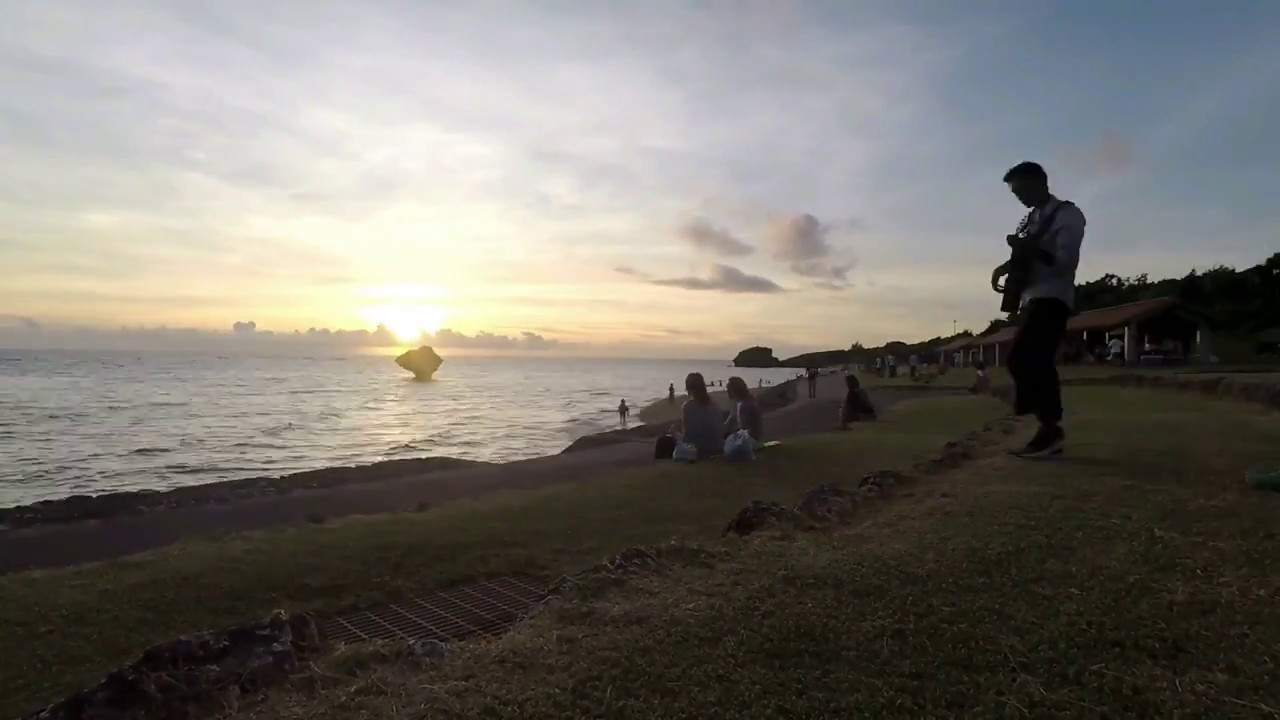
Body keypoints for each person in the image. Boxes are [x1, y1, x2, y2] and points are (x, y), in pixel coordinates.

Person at [990, 161, 1086, 458]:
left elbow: (1066, 262)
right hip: (1031, 297)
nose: (1018, 198)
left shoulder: (1068, 214)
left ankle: (1049, 427)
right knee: (1030, 359)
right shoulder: (1029, 218)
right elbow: (1025, 255)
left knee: (1025, 358)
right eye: (1014, 193)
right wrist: (1007, 266)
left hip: (1053, 295)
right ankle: (1047, 428)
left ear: (1038, 183)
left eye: (1021, 191)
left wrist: (1034, 251)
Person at [679, 372, 722, 459]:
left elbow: (687, 436)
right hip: (718, 446)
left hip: (699, 450)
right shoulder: (714, 404)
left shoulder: (688, 406)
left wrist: (674, 434)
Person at [724, 376, 765, 443]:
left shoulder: (746, 405)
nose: (727, 392)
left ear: (735, 390)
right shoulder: (739, 402)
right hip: (748, 436)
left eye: (729, 389)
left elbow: (744, 428)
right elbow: (731, 419)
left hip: (751, 439)